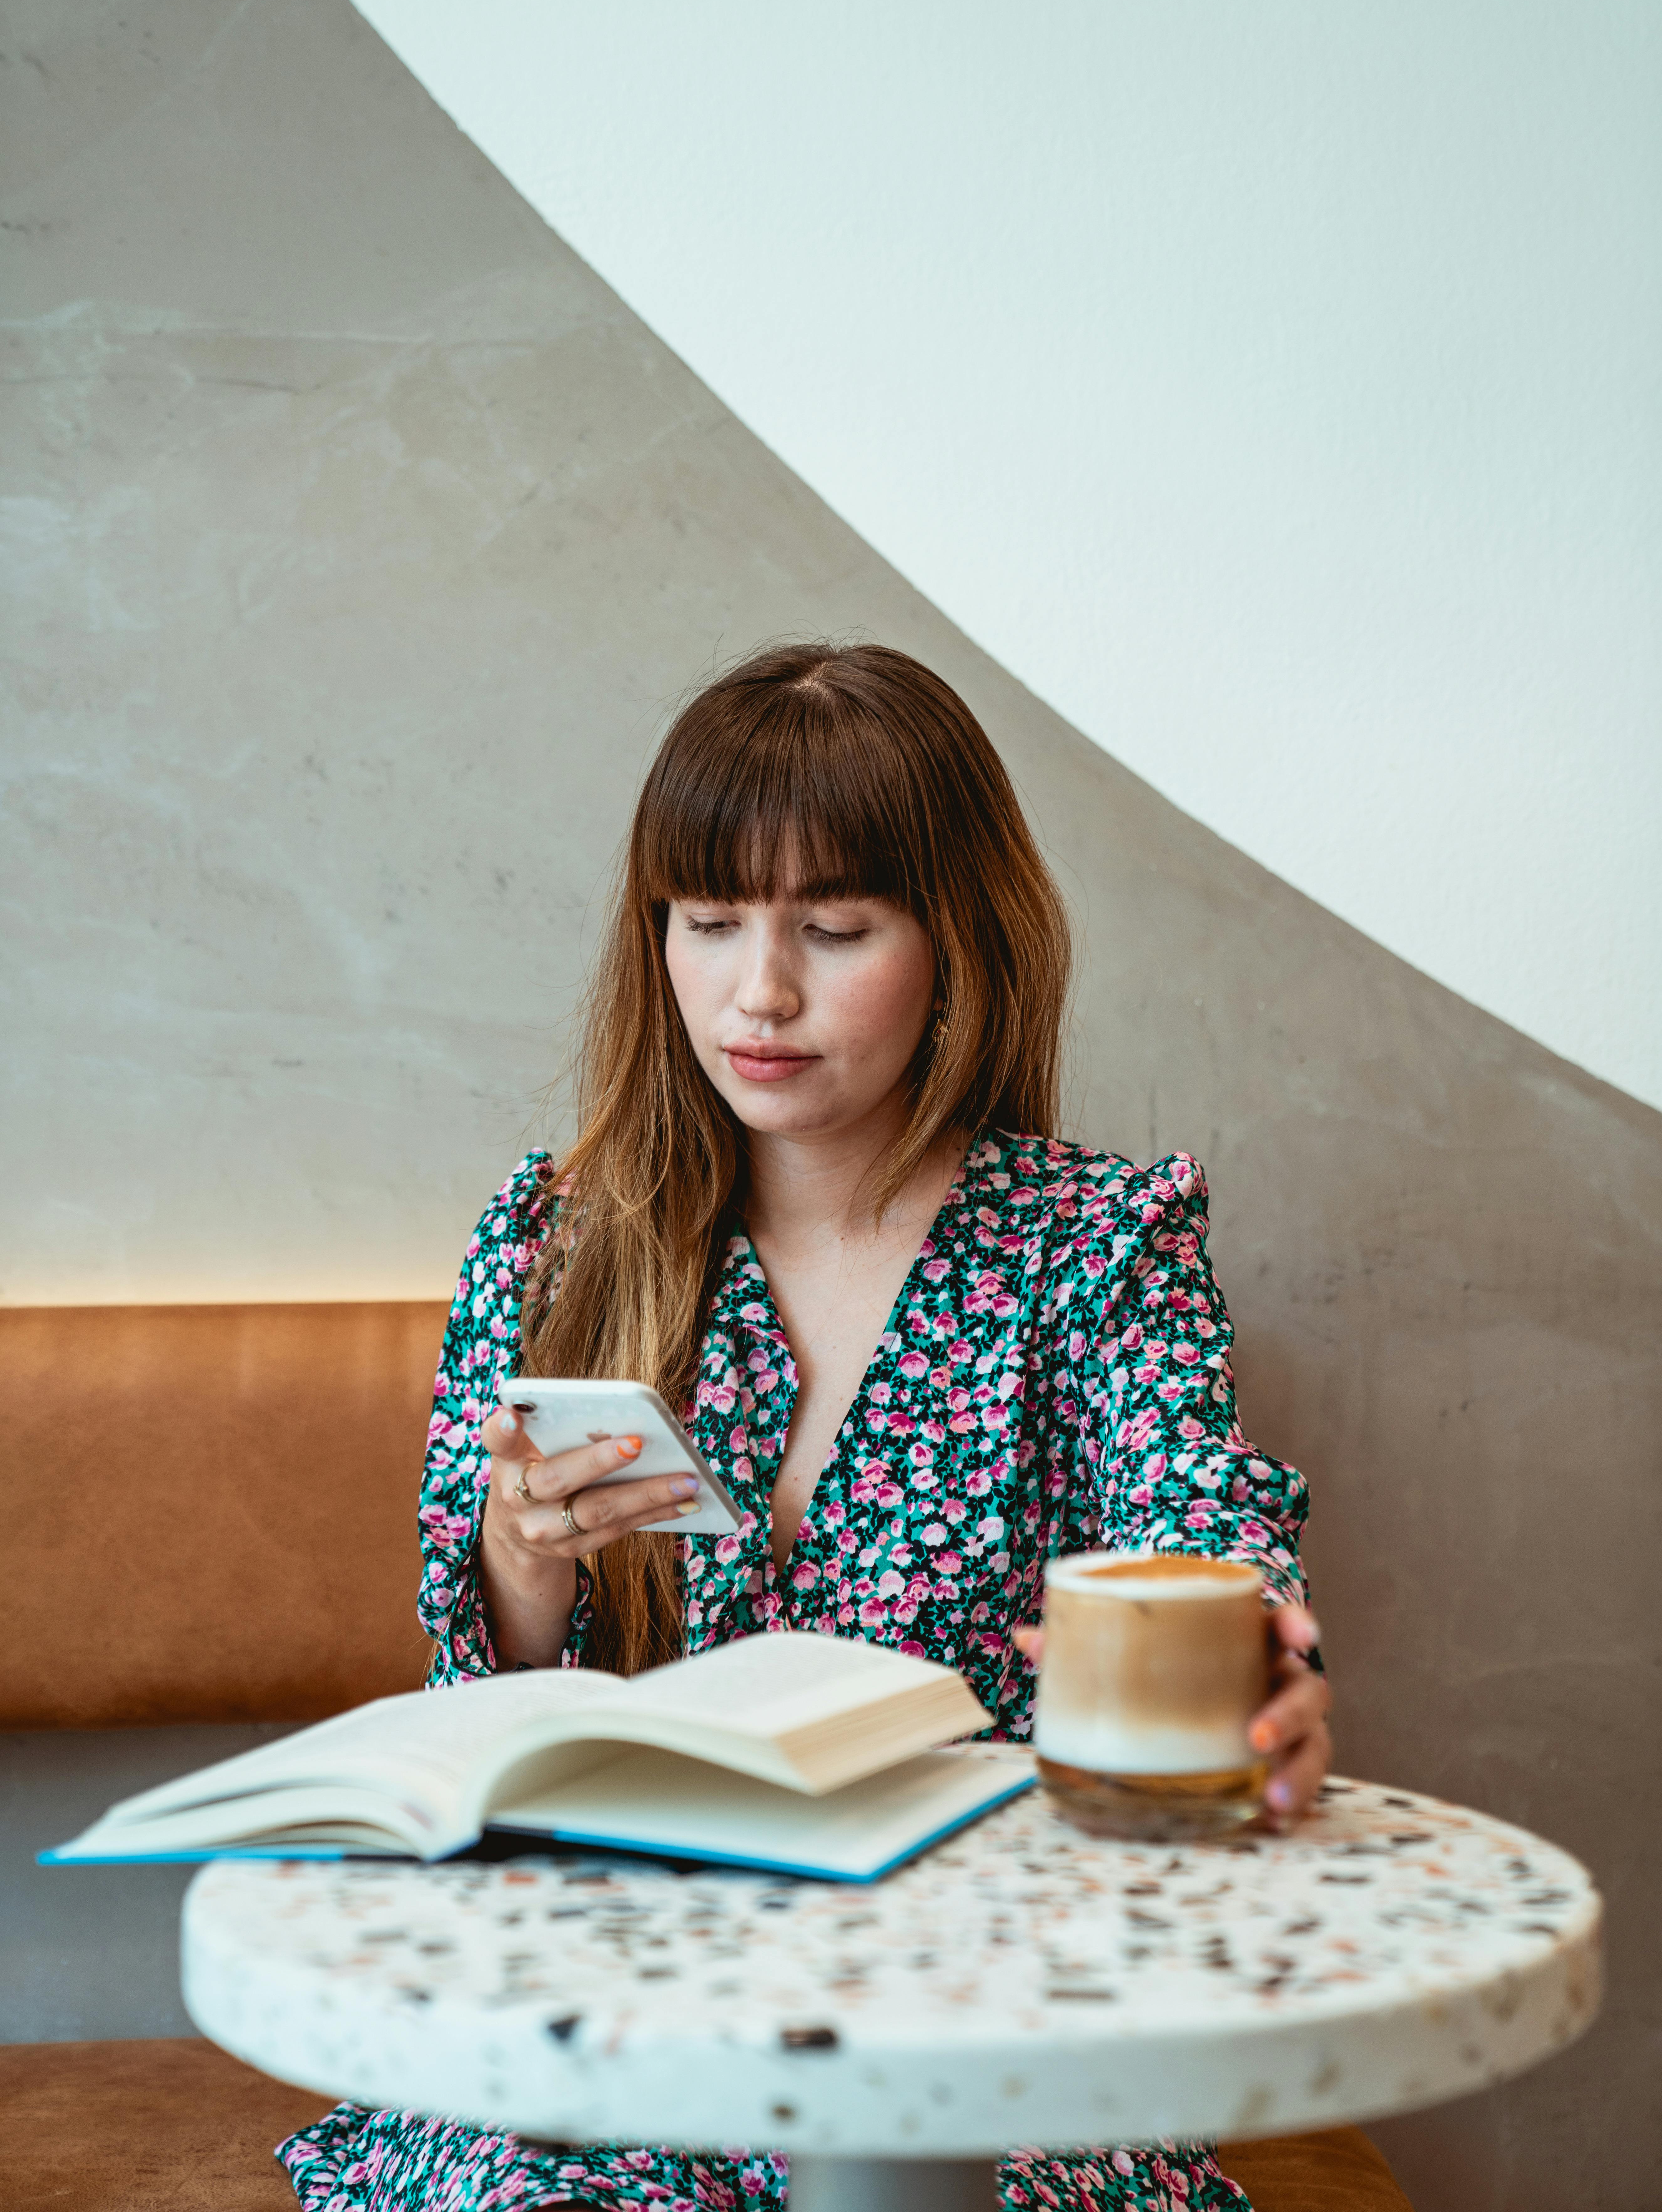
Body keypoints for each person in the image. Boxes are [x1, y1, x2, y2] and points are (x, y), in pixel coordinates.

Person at [279, 642, 1330, 2212]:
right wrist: (522, 1550)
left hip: (979, 1998)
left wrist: (1250, 1661)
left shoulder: (1097, 1243)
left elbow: (1203, 1524)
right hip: (628, 1980)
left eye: (834, 929)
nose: (758, 991)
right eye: (709, 923)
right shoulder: (558, 1239)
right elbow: (478, 1728)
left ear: (956, 939)